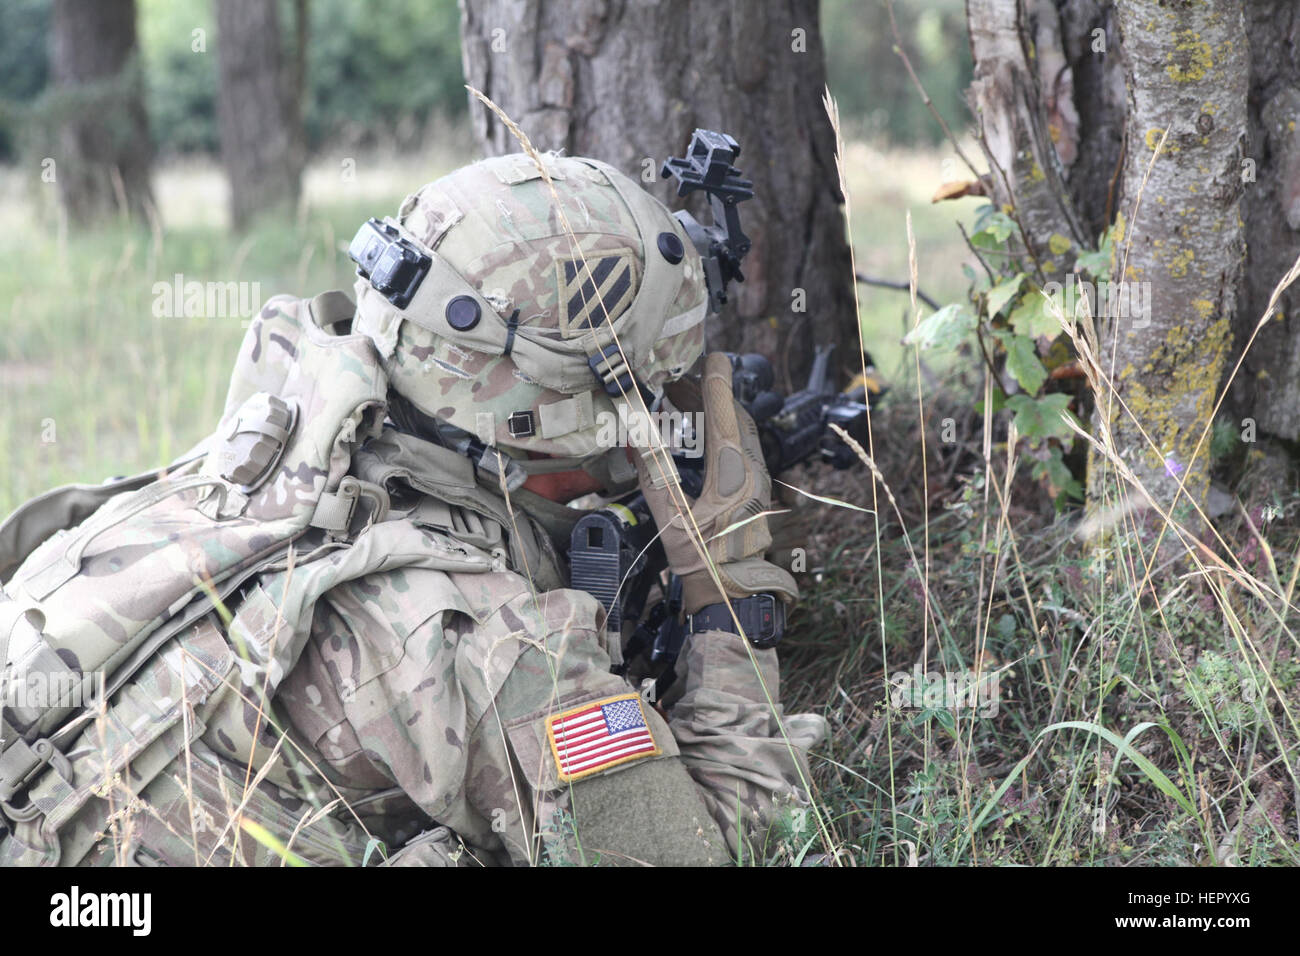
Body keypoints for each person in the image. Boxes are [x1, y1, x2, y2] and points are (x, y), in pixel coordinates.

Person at [0, 147, 825, 867]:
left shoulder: (288, 420)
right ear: (561, 424)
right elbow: (702, 849)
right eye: (659, 391)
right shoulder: (486, 646)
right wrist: (728, 594)